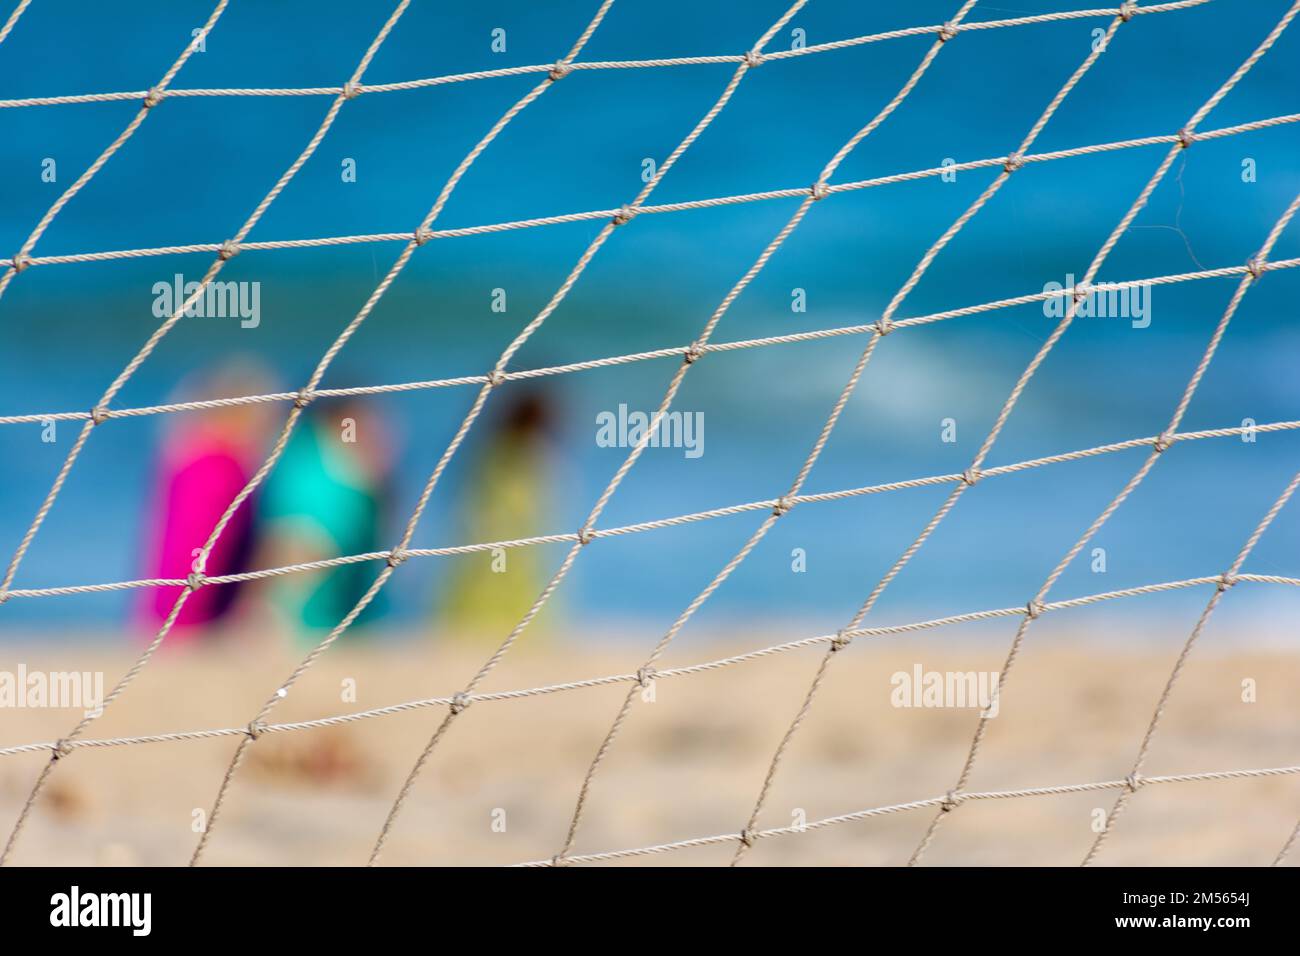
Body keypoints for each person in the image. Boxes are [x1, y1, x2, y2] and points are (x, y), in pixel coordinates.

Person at [137, 362, 273, 640]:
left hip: (163, 613)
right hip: (194, 620)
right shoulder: (220, 468)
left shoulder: (187, 458)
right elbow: (199, 548)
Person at [257, 396, 392, 643]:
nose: (384, 437)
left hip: (336, 624)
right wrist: (272, 618)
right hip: (312, 630)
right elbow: (297, 544)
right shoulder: (327, 484)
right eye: (370, 426)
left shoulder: (306, 461)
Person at [440, 388, 559, 642]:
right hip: (506, 558)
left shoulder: (491, 453)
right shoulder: (521, 459)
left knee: (490, 613)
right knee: (501, 611)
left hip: (493, 557)